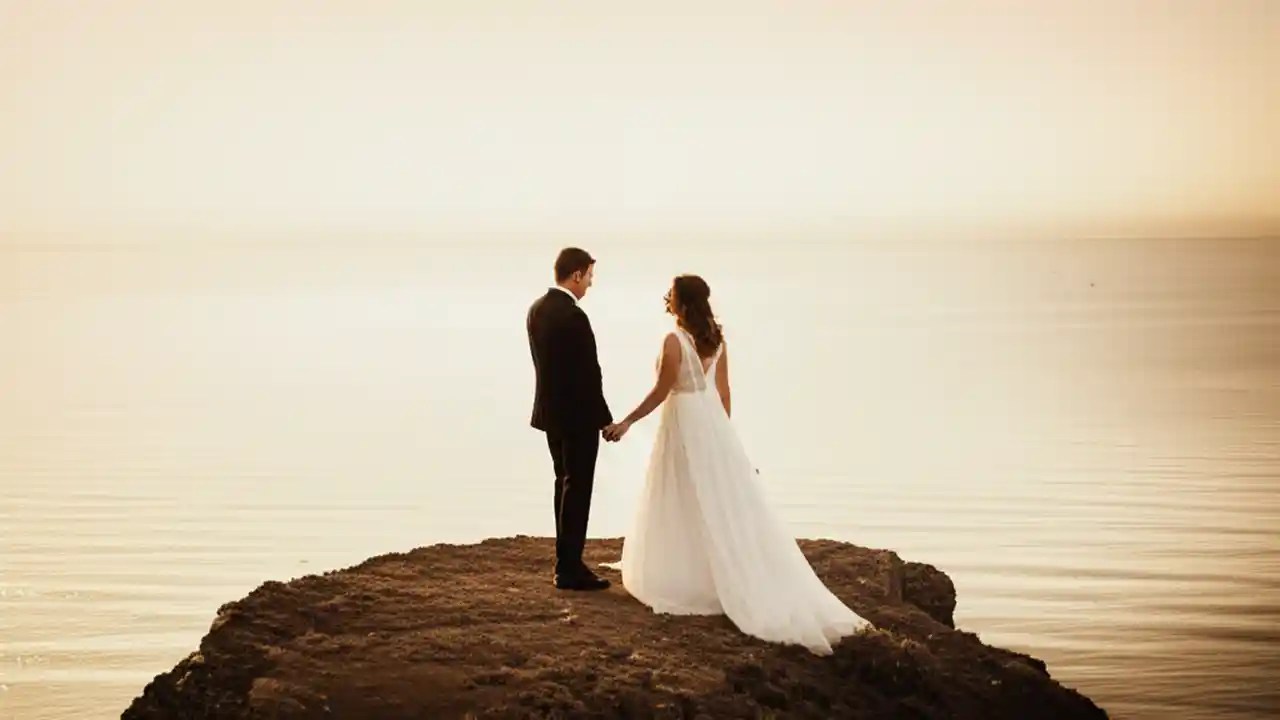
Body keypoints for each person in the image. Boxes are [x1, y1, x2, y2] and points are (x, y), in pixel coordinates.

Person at [603, 274, 871, 654]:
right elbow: (723, 393)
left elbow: (662, 392)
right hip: (711, 423)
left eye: (672, 295)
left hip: (684, 422)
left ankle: (690, 576)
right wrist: (723, 440)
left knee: (681, 495)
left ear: (681, 303)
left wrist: (627, 421)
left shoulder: (673, 340)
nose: (667, 299)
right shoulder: (717, 339)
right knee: (719, 500)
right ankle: (715, 570)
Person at [526, 247, 613, 591]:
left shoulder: (537, 310)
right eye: (589, 276)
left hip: (550, 414)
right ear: (576, 274)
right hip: (578, 417)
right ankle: (570, 568)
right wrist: (604, 418)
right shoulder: (574, 316)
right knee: (578, 489)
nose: (590, 284)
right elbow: (589, 374)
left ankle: (565, 561)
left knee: (562, 484)